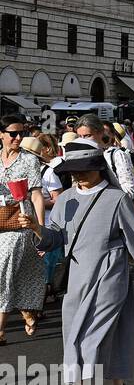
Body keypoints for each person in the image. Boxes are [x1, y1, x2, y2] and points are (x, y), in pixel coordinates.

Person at [19, 146, 134, 385]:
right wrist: (37, 229)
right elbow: (56, 239)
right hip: (77, 276)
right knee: (79, 331)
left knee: (91, 336)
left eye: (83, 170)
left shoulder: (116, 198)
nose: (77, 176)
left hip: (110, 274)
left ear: (99, 169)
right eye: (73, 172)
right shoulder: (66, 200)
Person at [0, 116, 46, 342]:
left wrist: (41, 229)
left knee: (4, 269)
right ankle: (27, 310)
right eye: (13, 133)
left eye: (22, 134)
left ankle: (0, 329)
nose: (18, 138)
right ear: (1, 134)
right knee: (21, 270)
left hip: (20, 222)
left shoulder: (29, 160)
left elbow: (37, 195)